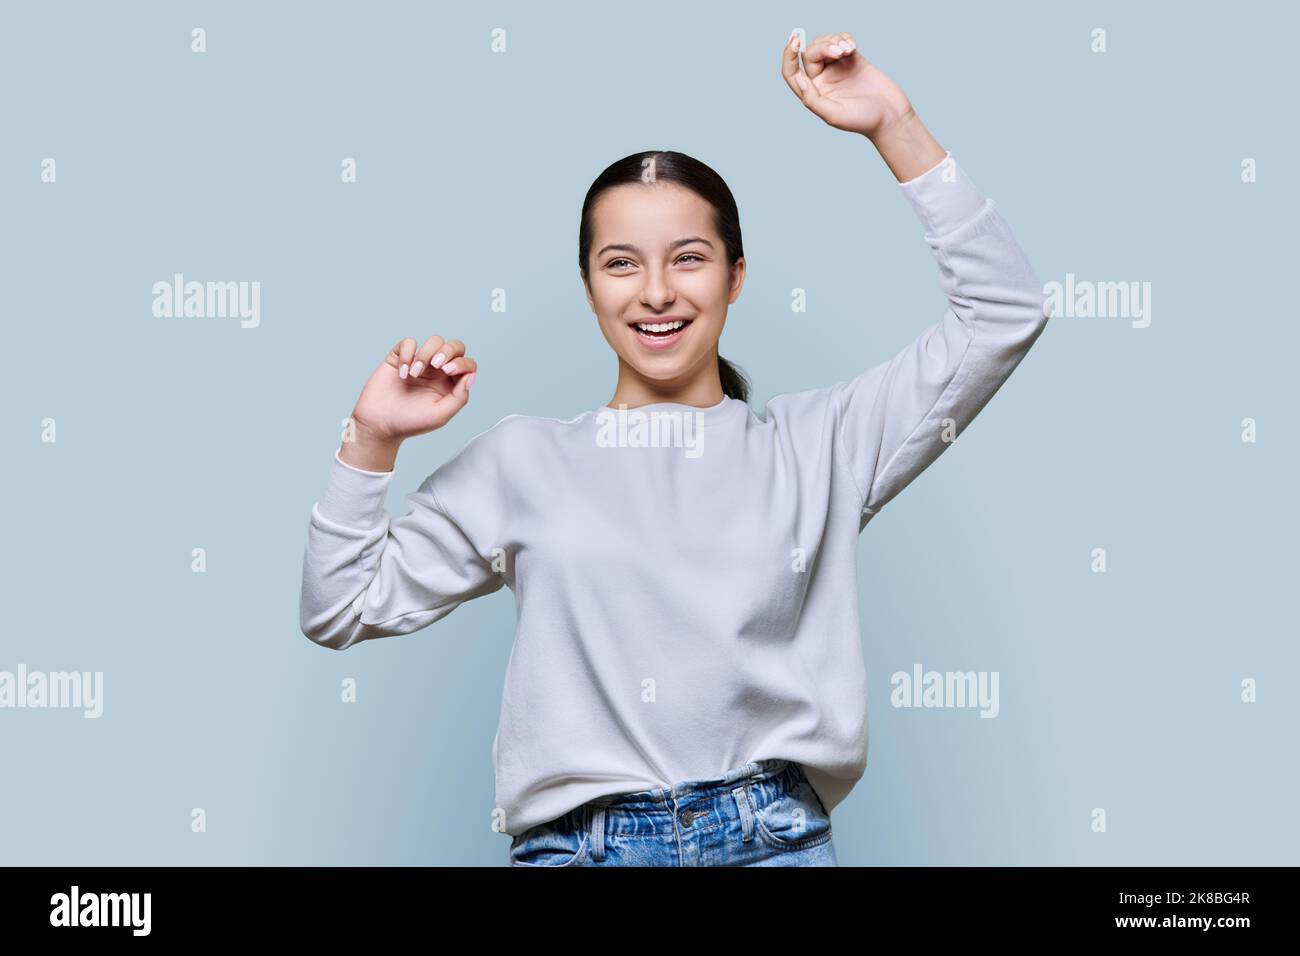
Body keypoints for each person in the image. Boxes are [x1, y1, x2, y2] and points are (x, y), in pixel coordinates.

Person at [299, 29, 1050, 866]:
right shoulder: (524, 463)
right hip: (580, 848)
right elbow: (339, 607)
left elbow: (1005, 314)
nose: (656, 292)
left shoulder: (819, 446)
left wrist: (893, 123)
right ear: (589, 289)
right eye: (621, 263)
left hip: (773, 842)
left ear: (734, 276)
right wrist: (371, 440)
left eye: (688, 258)